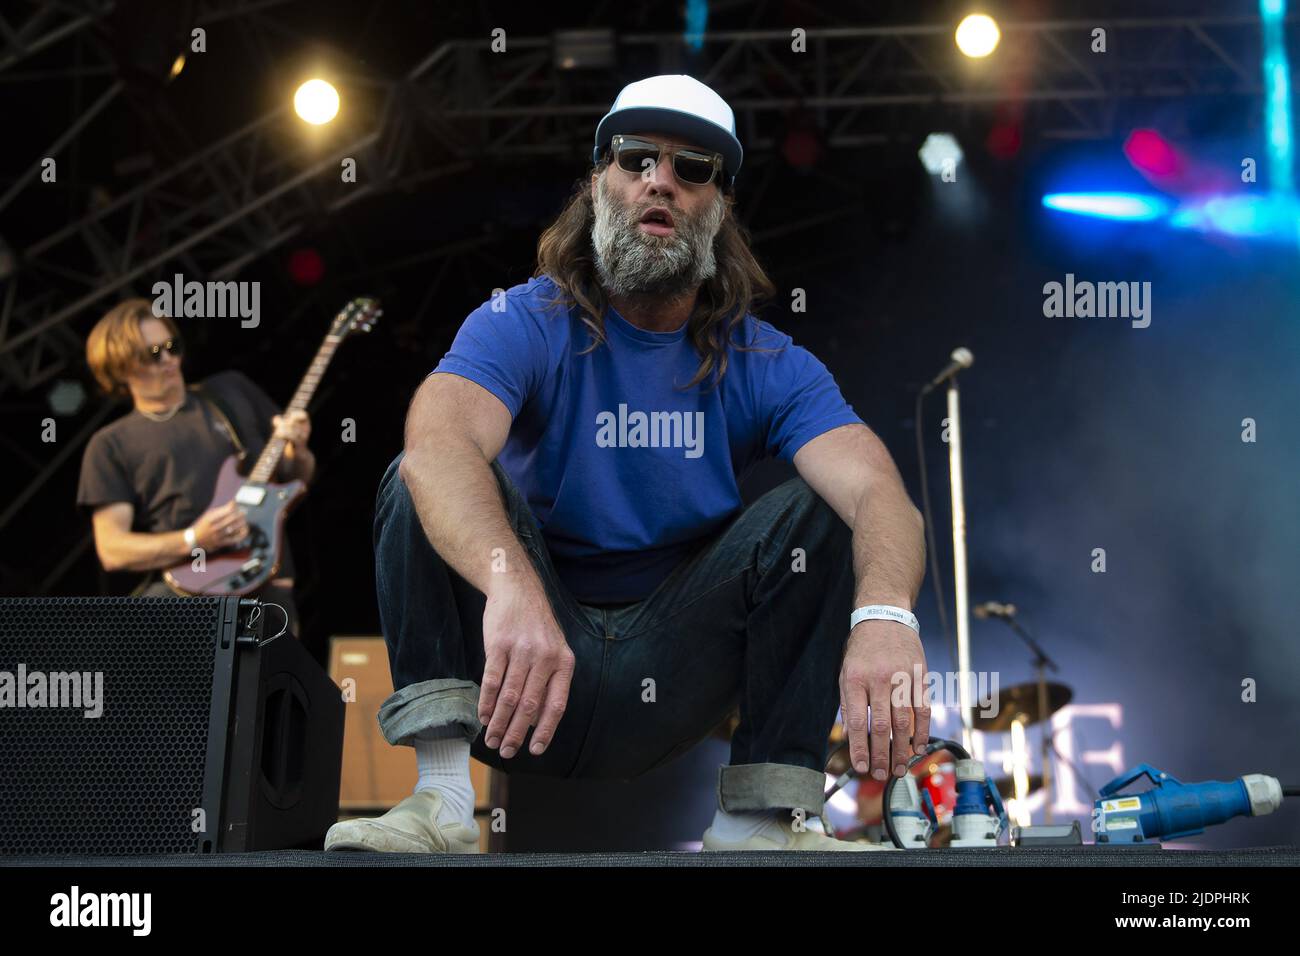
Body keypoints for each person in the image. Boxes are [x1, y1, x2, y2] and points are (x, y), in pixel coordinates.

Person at [326, 75, 929, 854]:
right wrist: (509, 580)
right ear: (597, 184)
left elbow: (881, 492)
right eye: (636, 157)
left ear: (720, 205)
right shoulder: (524, 321)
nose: (660, 181)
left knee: (825, 512)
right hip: (521, 668)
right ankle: (440, 799)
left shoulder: (768, 361)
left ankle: (764, 819)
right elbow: (439, 441)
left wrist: (885, 617)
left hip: (670, 679)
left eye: (693, 168)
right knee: (420, 474)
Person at [76, 298, 314, 634]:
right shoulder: (111, 443)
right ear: (120, 369)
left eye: (172, 346)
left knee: (273, 685)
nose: (169, 360)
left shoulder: (229, 392)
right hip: (185, 601)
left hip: (267, 588)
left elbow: (295, 482)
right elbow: (113, 549)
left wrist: (298, 449)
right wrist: (194, 538)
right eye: (152, 354)